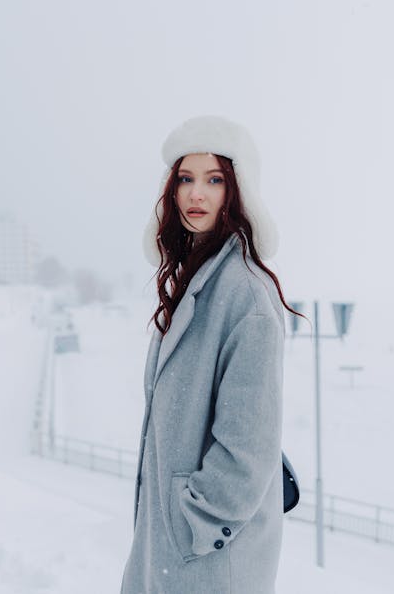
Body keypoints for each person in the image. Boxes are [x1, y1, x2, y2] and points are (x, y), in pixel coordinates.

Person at [121, 115, 301, 594]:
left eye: (214, 179)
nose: (196, 194)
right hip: (172, 552)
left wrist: (195, 523)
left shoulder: (244, 293)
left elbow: (248, 445)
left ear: (237, 190)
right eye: (186, 178)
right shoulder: (194, 280)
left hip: (209, 560)